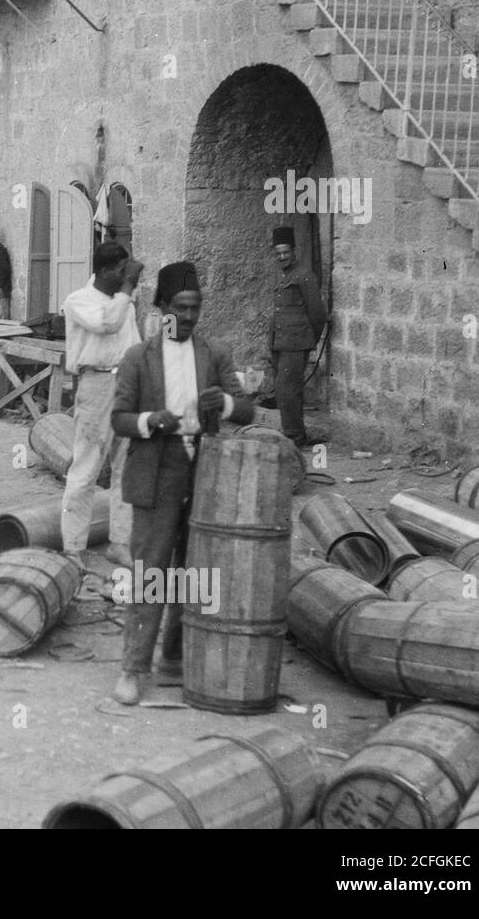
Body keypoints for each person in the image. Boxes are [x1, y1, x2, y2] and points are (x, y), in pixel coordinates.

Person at [109, 261, 255, 706]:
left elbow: (248, 410)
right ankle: (134, 667)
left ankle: (173, 655)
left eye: (195, 308)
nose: (189, 317)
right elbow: (118, 419)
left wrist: (226, 403)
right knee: (151, 569)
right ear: (161, 308)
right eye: (180, 308)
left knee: (194, 569)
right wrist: (151, 420)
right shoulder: (139, 357)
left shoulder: (213, 354)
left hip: (203, 470)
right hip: (157, 467)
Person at [59, 242, 142, 559]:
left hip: (127, 382)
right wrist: (129, 286)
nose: (125, 277)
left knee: (127, 466)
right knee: (86, 468)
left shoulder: (125, 302)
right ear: (105, 270)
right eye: (121, 271)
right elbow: (107, 323)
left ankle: (120, 543)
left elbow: (133, 345)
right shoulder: (78, 300)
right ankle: (73, 547)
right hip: (95, 384)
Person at [269, 226, 328, 448]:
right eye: (278, 253)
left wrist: (308, 339)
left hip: (295, 343)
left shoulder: (304, 276)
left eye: (286, 252)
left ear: (294, 252)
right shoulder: (283, 276)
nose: (282, 257)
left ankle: (294, 437)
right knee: (284, 390)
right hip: (280, 342)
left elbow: (318, 313)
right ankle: (293, 432)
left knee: (288, 390)